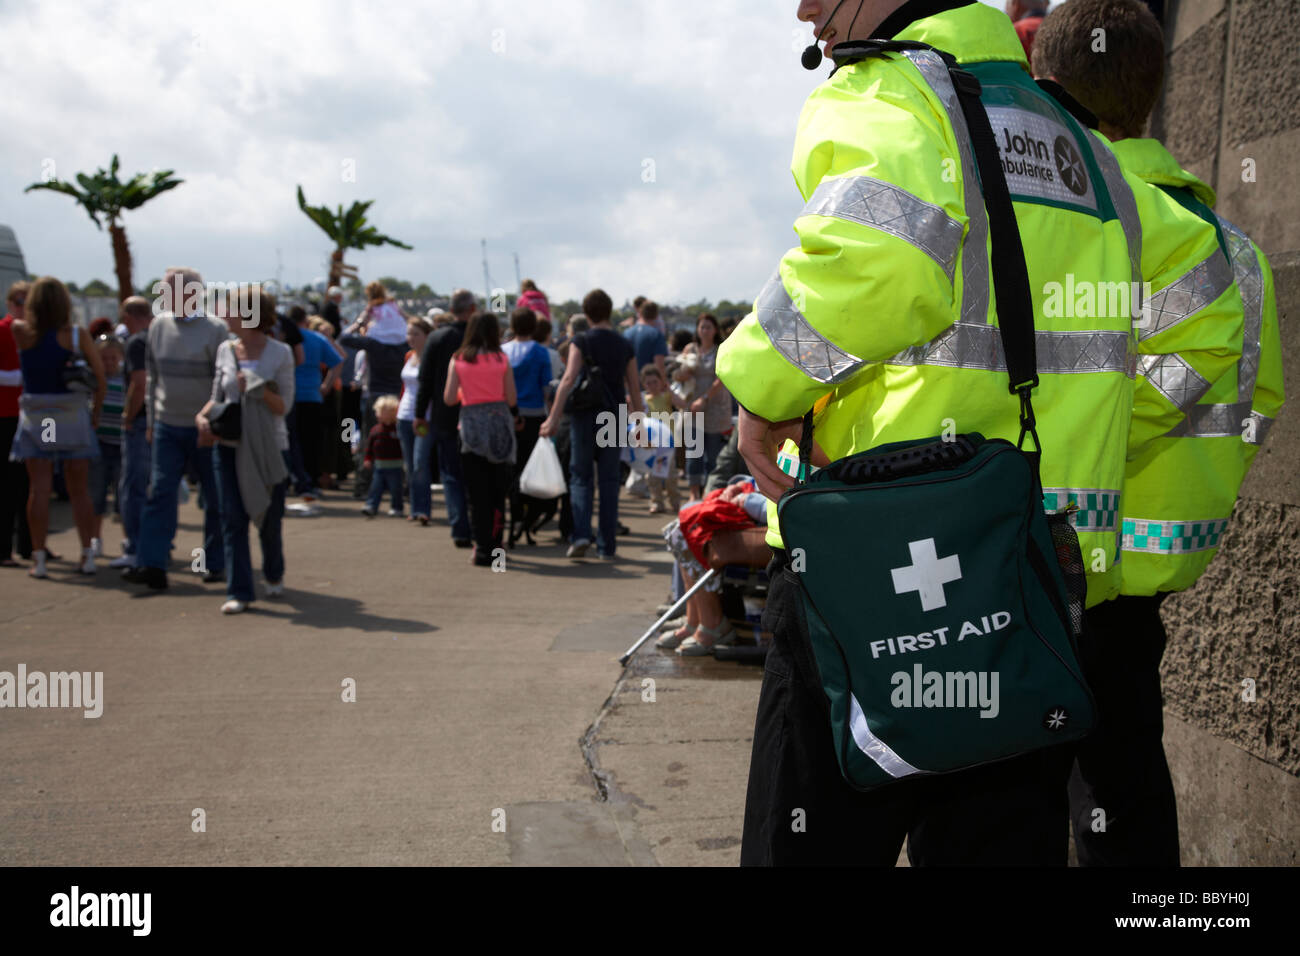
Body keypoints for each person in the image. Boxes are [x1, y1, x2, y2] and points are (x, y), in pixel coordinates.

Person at [719, 0, 1148, 867]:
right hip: (1032, 577)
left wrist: (762, 386)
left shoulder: (889, 90)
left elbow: (880, 263)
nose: (802, 8)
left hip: (873, 562)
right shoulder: (1085, 148)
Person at [1033, 0, 1282, 866]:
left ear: (1047, 87)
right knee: (1127, 774)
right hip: (1155, 567)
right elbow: (1258, 400)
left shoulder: (1074, 227)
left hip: (1050, 553)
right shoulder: (1237, 249)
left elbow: (1097, 401)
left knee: (1015, 791)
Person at [122, 267, 228, 590]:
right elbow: (153, 379)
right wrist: (152, 421)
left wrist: (213, 422)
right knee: (161, 492)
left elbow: (222, 383)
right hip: (168, 424)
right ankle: (152, 564)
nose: (162, 295)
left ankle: (215, 563)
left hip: (204, 428)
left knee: (214, 496)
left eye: (168, 289)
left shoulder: (216, 330)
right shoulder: (159, 327)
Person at [196, 286, 293, 614]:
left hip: (268, 448)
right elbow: (217, 397)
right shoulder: (225, 349)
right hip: (228, 445)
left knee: (269, 519)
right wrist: (202, 416)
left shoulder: (280, 353)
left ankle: (273, 573)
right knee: (232, 519)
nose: (226, 314)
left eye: (233, 309)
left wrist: (255, 387)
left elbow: (283, 406)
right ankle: (238, 591)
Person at [8, 277, 105, 578]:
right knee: (79, 491)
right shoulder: (75, 335)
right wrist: (95, 414)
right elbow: (99, 379)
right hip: (70, 415)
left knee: (39, 488)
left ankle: (38, 558)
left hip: (38, 417)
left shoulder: (21, 332)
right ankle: (87, 554)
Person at [540, 289, 642, 560]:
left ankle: (581, 534)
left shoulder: (581, 340)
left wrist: (552, 418)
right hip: (614, 417)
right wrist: (640, 425)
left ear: (586, 314)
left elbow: (568, 379)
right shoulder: (624, 344)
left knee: (581, 478)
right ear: (609, 312)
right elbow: (634, 387)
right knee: (609, 482)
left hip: (585, 416)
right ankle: (607, 545)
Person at [443, 313, 518, 566]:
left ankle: (481, 547)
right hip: (499, 423)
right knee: (498, 491)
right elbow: (511, 398)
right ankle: (497, 547)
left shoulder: (459, 359)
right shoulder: (501, 359)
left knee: (476, 494)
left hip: (471, 425)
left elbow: (449, 398)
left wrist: (469, 391)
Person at [414, 288, 476, 547]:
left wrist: (419, 414)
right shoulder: (481, 340)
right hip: (477, 414)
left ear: (451, 310)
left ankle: (459, 527)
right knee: (475, 472)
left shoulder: (438, 338)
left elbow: (425, 380)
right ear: (472, 310)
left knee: (451, 473)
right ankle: (478, 525)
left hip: (445, 414)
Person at [109, 295, 153, 569]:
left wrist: (127, 415)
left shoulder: (138, 342)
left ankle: (136, 547)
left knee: (132, 487)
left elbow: (139, 383)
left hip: (141, 422)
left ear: (127, 317)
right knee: (152, 487)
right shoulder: (161, 337)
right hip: (160, 420)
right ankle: (156, 545)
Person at [502, 307, 553, 546]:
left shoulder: (503, 352)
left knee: (511, 469)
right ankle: (528, 520)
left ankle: (515, 515)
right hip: (534, 415)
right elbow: (547, 389)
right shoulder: (541, 353)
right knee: (531, 470)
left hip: (508, 415)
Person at [287, 304, 343, 500]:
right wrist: (327, 385)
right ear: (306, 320)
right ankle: (311, 480)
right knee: (312, 442)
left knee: (289, 441)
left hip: (288, 397)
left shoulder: (284, 338)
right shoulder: (316, 339)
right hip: (313, 396)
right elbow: (338, 361)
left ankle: (289, 480)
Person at [0, 281, 32, 566]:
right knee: (8, 485)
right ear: (10, 303)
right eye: (20, 302)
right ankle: (3, 550)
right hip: (6, 415)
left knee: (29, 482)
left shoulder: (34, 333)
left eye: (29, 302)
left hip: (30, 415)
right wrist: (23, 377)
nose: (24, 307)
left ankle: (29, 545)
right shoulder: (3, 330)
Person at [87, 334, 126, 557]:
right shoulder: (93, 380)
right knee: (96, 494)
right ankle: (95, 538)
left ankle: (127, 539)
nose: (109, 362)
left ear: (120, 357)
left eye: (113, 357)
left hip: (121, 445)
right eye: (103, 358)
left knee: (124, 496)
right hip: (99, 444)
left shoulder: (126, 379)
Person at [685, 313, 731, 501]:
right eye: (701, 327)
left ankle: (710, 490)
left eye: (708, 327)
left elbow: (722, 378)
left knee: (713, 454)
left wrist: (705, 398)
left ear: (715, 330)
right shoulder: (690, 349)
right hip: (693, 405)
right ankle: (693, 491)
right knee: (694, 451)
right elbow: (680, 373)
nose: (704, 331)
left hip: (714, 405)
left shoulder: (721, 350)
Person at [396, 317, 434, 524]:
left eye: (415, 334)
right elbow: (405, 387)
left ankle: (424, 508)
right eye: (409, 333)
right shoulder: (408, 356)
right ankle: (415, 507)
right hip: (404, 414)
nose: (410, 338)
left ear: (427, 336)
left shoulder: (431, 358)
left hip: (424, 417)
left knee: (420, 463)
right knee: (410, 465)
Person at [640, 364, 685, 515]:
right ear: (643, 384)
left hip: (668, 442)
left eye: (655, 381)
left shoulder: (666, 397)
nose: (652, 385)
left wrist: (670, 391)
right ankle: (657, 502)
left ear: (661, 382)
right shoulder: (643, 400)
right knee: (652, 477)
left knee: (671, 476)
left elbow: (682, 404)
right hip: (651, 443)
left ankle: (675, 502)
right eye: (648, 383)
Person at [361, 395, 405, 518]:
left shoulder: (398, 429)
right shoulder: (375, 430)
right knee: (375, 488)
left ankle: (397, 507)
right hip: (379, 467)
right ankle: (371, 506)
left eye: (380, 412)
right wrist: (367, 459)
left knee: (396, 489)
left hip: (396, 467)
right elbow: (369, 447)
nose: (377, 414)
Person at [624, 300, 668, 378]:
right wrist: (664, 384)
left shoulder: (626, 333)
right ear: (656, 315)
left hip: (630, 384)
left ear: (640, 313)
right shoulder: (656, 335)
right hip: (649, 386)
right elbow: (659, 366)